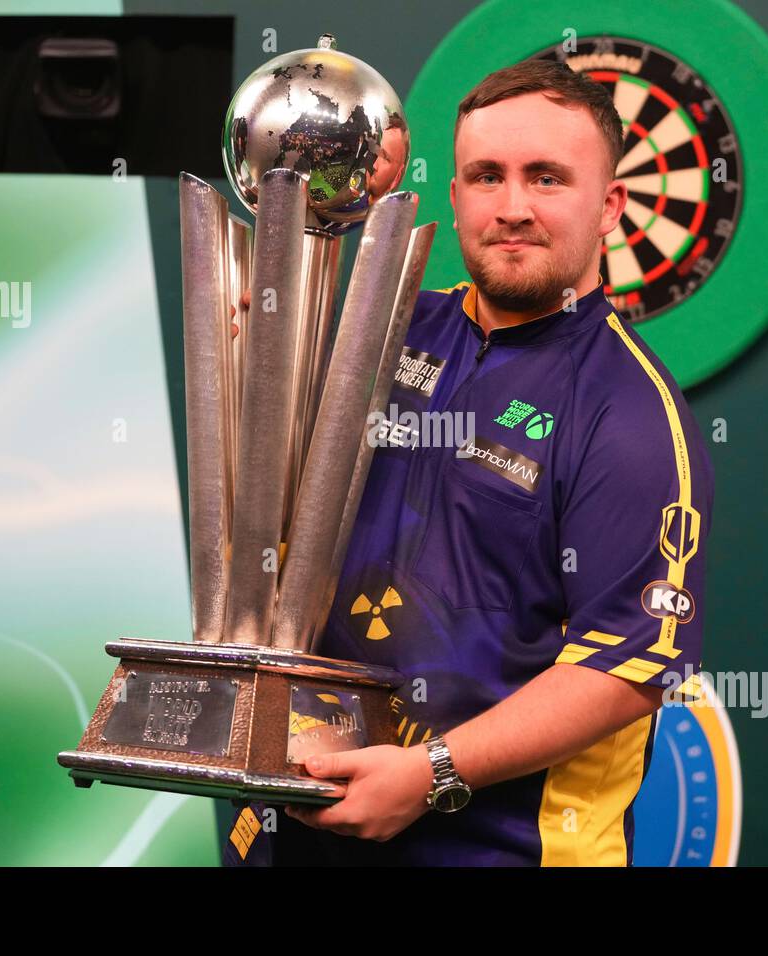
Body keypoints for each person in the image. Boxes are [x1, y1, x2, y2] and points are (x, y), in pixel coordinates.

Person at [223, 59, 714, 866]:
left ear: (611, 208)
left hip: (491, 848)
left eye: (547, 178)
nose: (512, 207)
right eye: (487, 176)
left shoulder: (628, 415)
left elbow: (631, 666)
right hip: (296, 826)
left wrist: (430, 772)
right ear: (454, 199)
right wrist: (267, 351)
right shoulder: (377, 333)